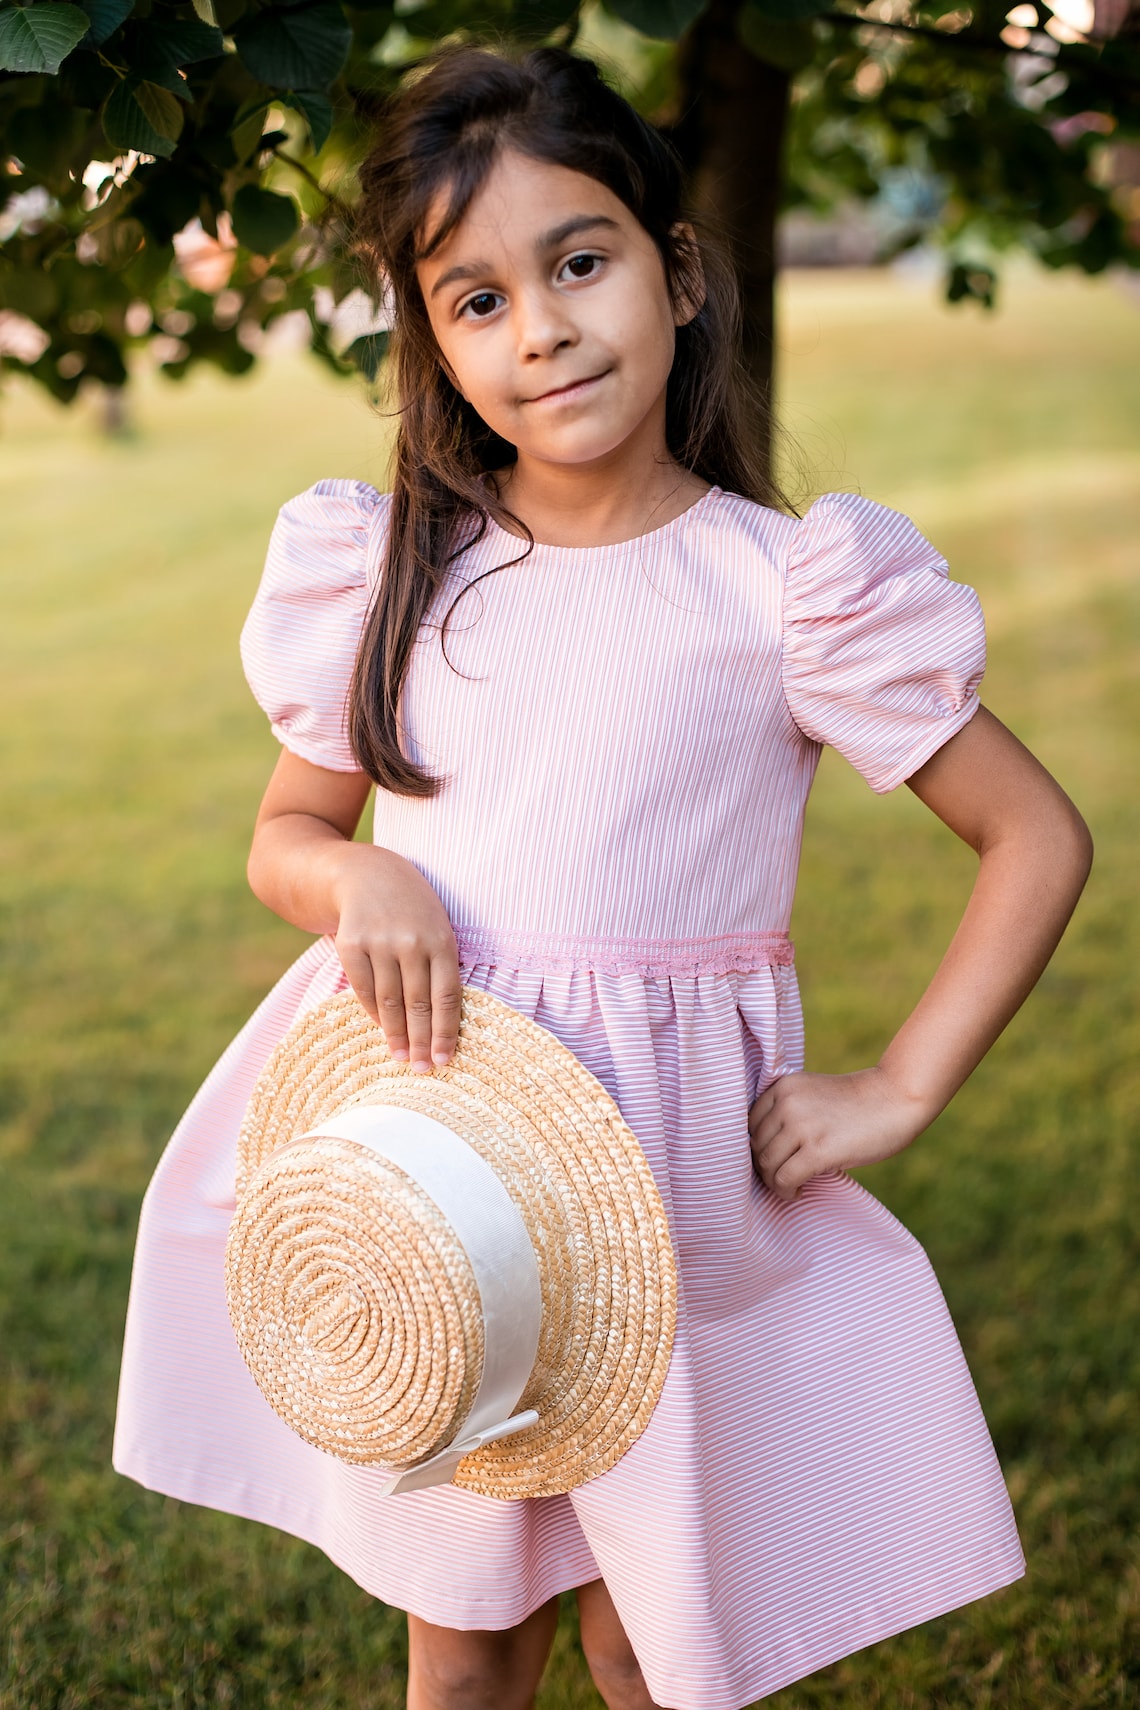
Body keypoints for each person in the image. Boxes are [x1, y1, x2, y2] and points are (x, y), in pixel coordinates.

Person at [113, 44, 1093, 1710]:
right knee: (468, 1623)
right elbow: (289, 835)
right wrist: (355, 885)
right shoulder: (398, 574)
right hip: (450, 1178)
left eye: (580, 262)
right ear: (429, 336)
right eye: (475, 299)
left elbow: (1036, 835)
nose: (542, 328)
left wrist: (901, 1086)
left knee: (653, 1632)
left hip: (678, 1189)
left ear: (677, 268)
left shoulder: (782, 589)